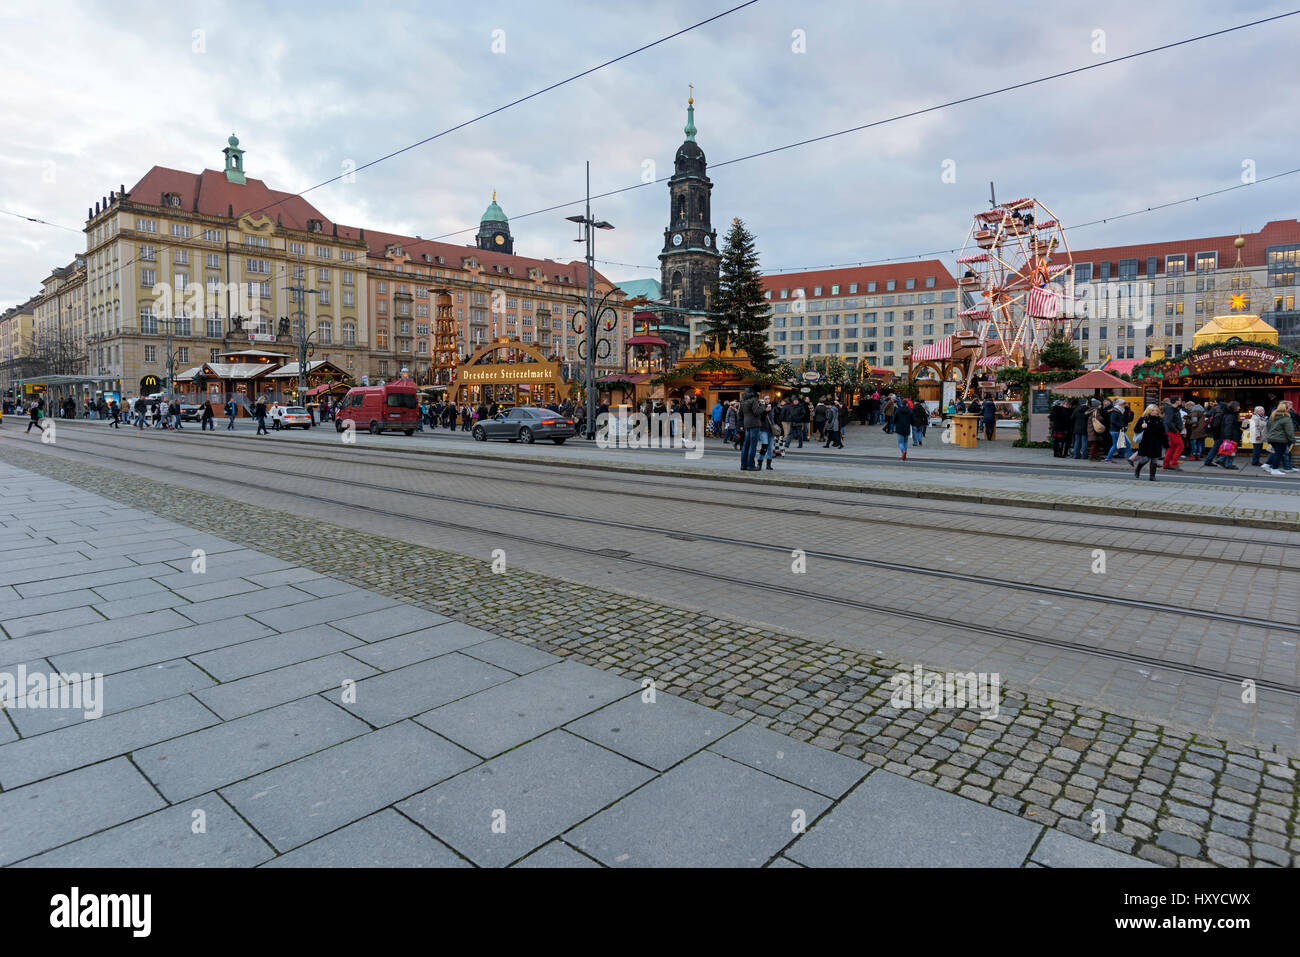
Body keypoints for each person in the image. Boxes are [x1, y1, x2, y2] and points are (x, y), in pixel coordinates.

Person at [1131, 404, 1167, 481]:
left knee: (1154, 460)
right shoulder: (1143, 419)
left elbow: (1162, 433)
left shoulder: (1159, 419)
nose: (1155, 412)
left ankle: (1152, 476)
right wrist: (1142, 427)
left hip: (1156, 443)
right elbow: (1136, 430)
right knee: (1145, 459)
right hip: (1145, 443)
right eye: (1153, 410)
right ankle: (1138, 469)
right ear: (1149, 410)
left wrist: (1166, 444)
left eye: (1157, 411)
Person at [1263, 401, 1297, 476]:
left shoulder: (1273, 416)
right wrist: (1292, 440)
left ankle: (1267, 465)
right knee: (1278, 454)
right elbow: (1289, 431)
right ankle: (1274, 469)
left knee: (1276, 453)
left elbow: (1268, 427)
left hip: (1272, 438)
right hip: (1281, 439)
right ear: (1286, 408)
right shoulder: (1286, 418)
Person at [1209, 401, 1243, 469]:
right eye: (1238, 406)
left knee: (1230, 449)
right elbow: (1228, 426)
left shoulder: (1232, 415)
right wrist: (1227, 437)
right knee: (1232, 450)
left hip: (1232, 435)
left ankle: (1223, 461)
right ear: (1234, 407)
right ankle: (1227, 463)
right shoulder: (1230, 416)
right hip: (1232, 436)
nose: (1239, 407)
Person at [739, 386, 763, 471]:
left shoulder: (743, 400)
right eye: (759, 392)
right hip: (754, 424)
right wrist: (763, 407)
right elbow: (756, 412)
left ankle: (743, 465)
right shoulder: (754, 399)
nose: (760, 394)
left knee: (746, 445)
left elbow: (740, 413)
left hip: (746, 424)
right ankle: (751, 465)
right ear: (756, 392)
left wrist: (741, 424)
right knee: (753, 445)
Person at [1160, 396, 1184, 470]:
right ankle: (1174, 463)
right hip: (1173, 431)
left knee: (1172, 448)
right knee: (1181, 446)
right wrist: (1175, 430)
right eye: (1180, 400)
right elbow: (1168, 421)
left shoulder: (1173, 409)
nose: (1181, 401)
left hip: (1172, 431)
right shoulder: (1171, 409)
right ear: (1176, 401)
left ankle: (1166, 464)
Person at [1104, 399, 1129, 463]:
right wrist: (1122, 426)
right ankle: (1108, 458)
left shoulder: (1120, 410)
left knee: (1118, 444)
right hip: (1115, 431)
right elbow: (1113, 421)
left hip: (1118, 430)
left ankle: (1108, 458)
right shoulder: (1115, 411)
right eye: (1123, 404)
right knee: (1117, 445)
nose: (1125, 405)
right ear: (1119, 404)